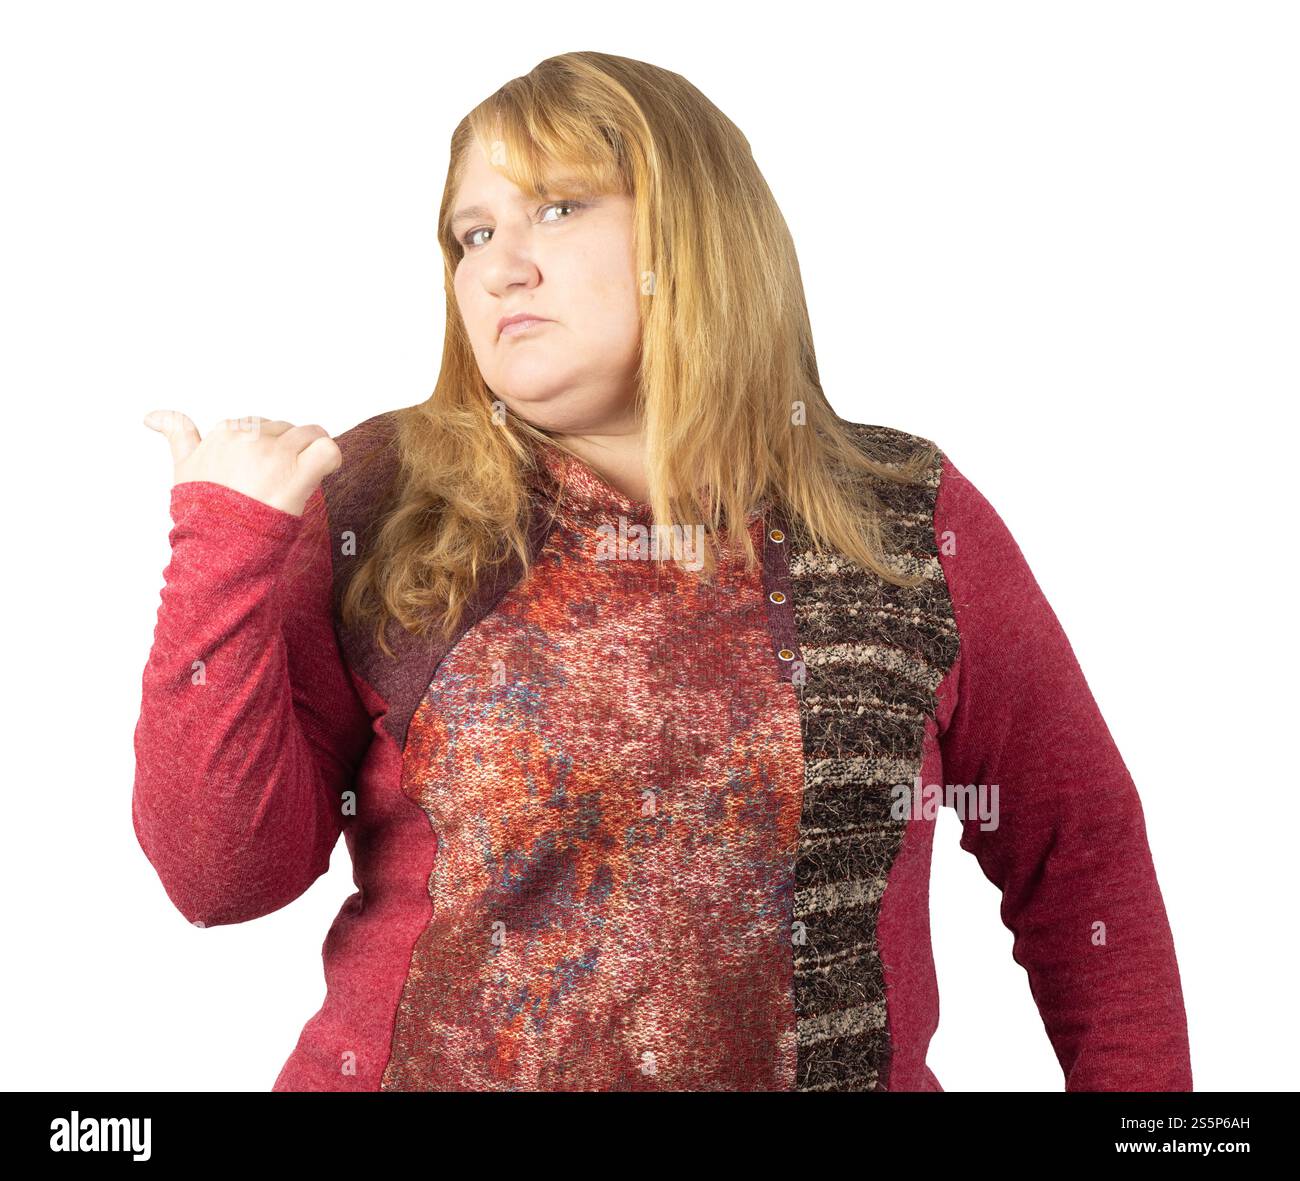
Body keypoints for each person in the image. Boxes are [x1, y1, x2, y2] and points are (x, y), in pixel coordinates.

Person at [133, 50, 1191, 1092]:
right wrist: (222, 554)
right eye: (472, 232)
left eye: (556, 208)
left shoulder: (901, 512)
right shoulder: (383, 496)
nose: (501, 263)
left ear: (695, 232)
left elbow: (1080, 855)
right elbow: (222, 879)